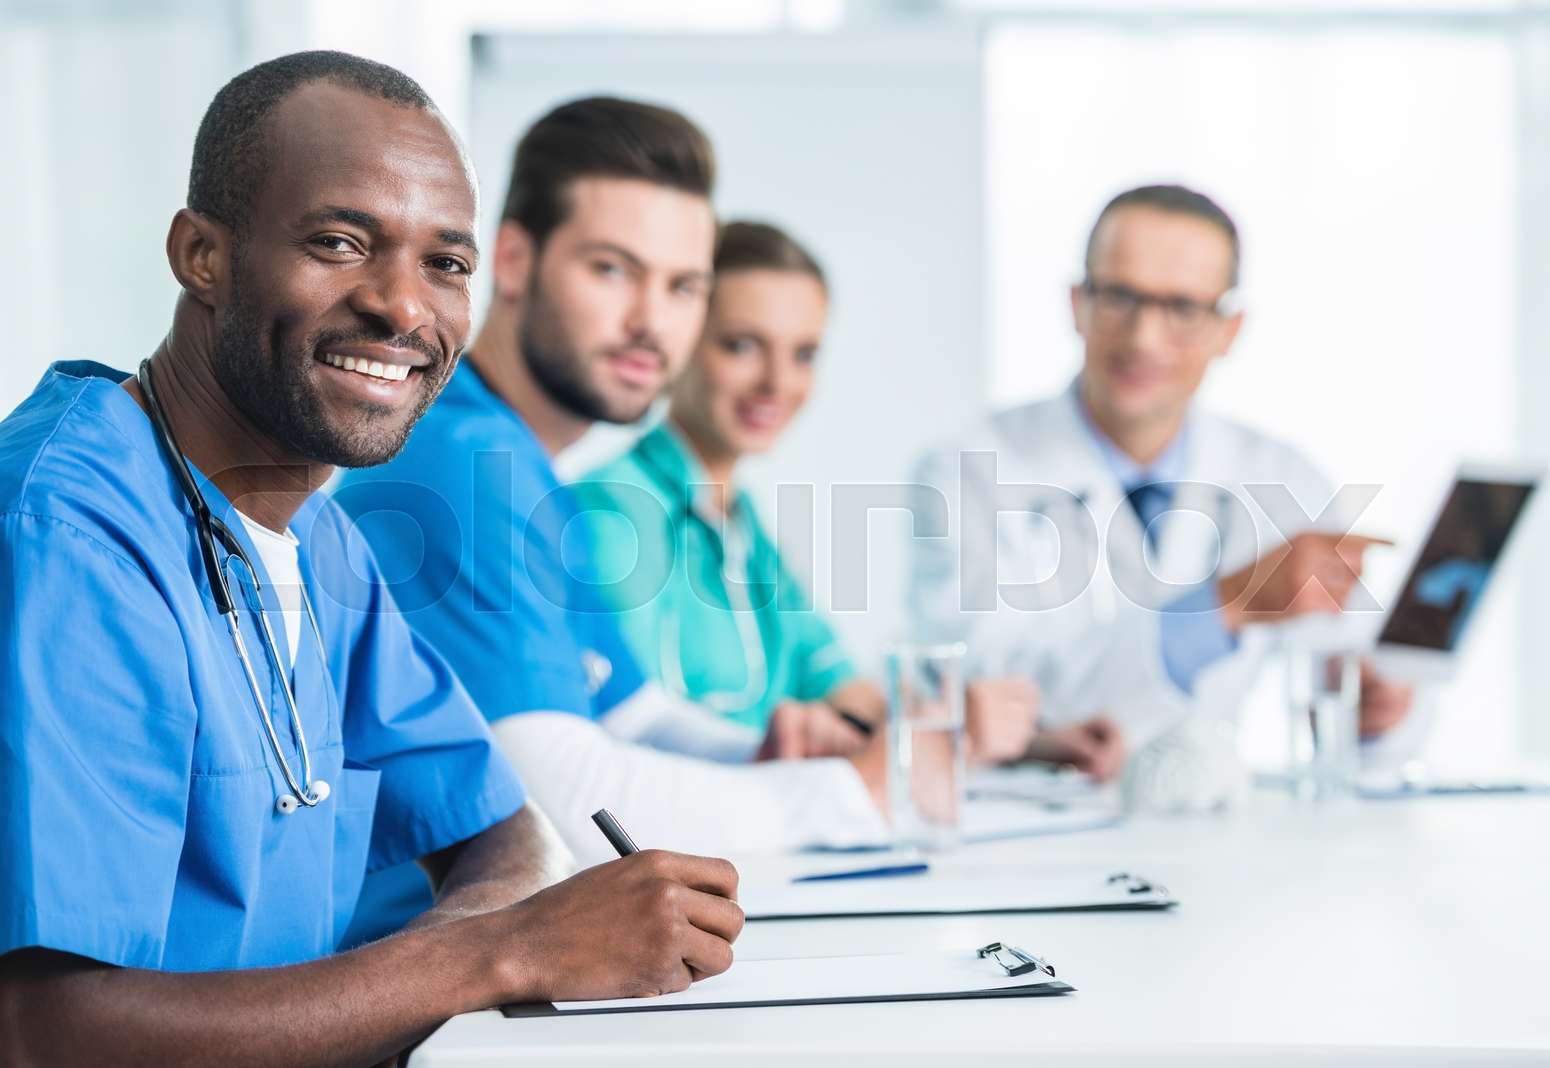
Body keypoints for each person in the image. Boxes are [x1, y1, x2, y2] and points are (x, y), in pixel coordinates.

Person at [0, 53, 742, 1067]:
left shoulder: (314, 535)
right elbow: (48, 1035)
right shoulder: (69, 537)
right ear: (201, 254)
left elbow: (506, 827)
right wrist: (497, 953)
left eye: (445, 264)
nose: (401, 307)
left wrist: (484, 945)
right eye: (340, 243)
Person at [338, 100, 1037, 877]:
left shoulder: (526, 470)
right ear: (512, 261)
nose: (650, 321)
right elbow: (557, 811)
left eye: (683, 287)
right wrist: (853, 793)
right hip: (419, 944)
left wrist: (764, 756)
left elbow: (635, 719)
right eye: (612, 270)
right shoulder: (467, 462)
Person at [909, 184, 1422, 782]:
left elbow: (1353, 684)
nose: (1144, 339)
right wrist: (1229, 604)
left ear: (1229, 330)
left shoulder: (1282, 477)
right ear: (1077, 304)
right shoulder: (967, 471)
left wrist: (1376, 713)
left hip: (1214, 816)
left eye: (1182, 308)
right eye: (1120, 297)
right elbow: (990, 692)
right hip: (1029, 817)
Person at [575, 220, 1040, 753]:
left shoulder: (742, 525)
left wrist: (1009, 735)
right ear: (680, 339)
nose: (777, 383)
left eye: (803, 354)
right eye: (742, 346)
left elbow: (841, 691)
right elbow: (636, 733)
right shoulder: (610, 512)